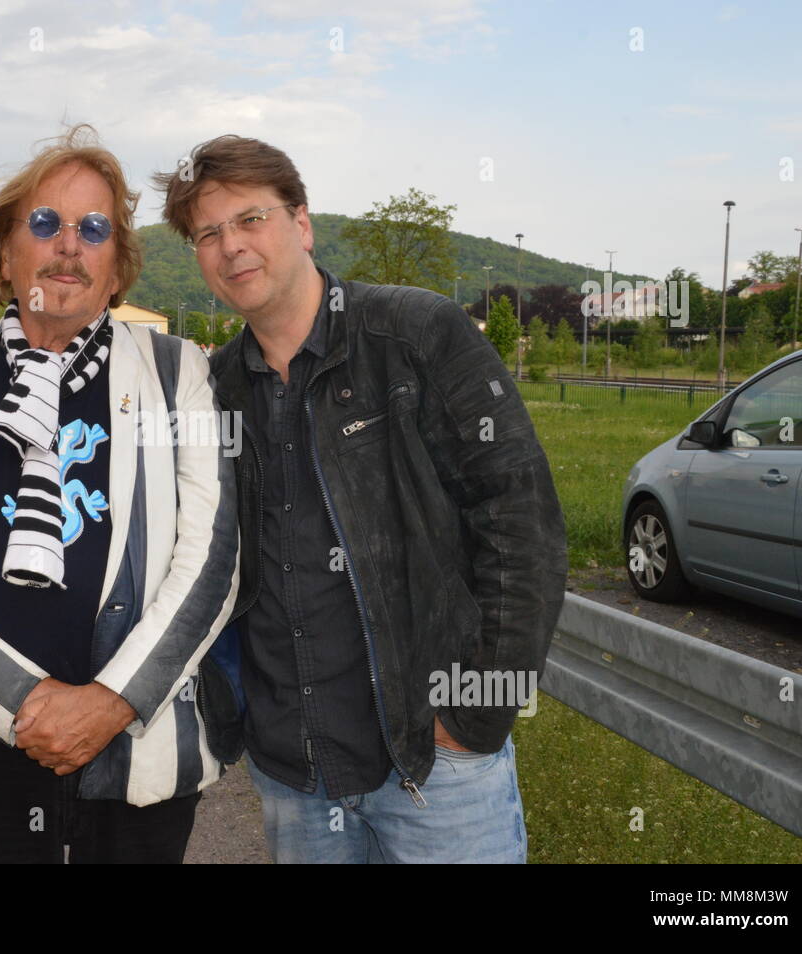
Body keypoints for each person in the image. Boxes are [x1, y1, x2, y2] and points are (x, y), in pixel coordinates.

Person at [152, 135, 568, 863]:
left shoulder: (416, 334)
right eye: (208, 233)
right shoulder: (214, 390)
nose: (231, 247)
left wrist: (475, 709)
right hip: (296, 776)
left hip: (436, 764)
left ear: (302, 223)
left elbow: (520, 520)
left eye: (250, 219)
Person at [0, 125, 238, 864]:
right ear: (6, 254)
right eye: (45, 223)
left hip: (136, 749)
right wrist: (28, 705)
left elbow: (212, 557)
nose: (69, 244)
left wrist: (108, 704)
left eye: (93, 228)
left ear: (117, 265)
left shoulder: (177, 377)